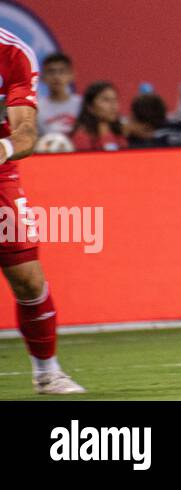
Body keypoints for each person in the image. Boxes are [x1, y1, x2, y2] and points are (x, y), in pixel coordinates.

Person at [0, 28, 86, 393]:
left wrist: (2, 151)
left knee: (29, 279)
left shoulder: (12, 52)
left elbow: (25, 134)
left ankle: (47, 372)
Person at [68, 80, 124, 151]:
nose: (113, 106)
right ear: (90, 107)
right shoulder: (81, 137)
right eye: (106, 100)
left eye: (115, 100)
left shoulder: (119, 134)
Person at [36, 52, 80, 137]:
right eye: (51, 72)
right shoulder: (36, 108)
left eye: (62, 71)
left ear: (71, 75)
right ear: (42, 77)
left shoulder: (82, 105)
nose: (56, 76)